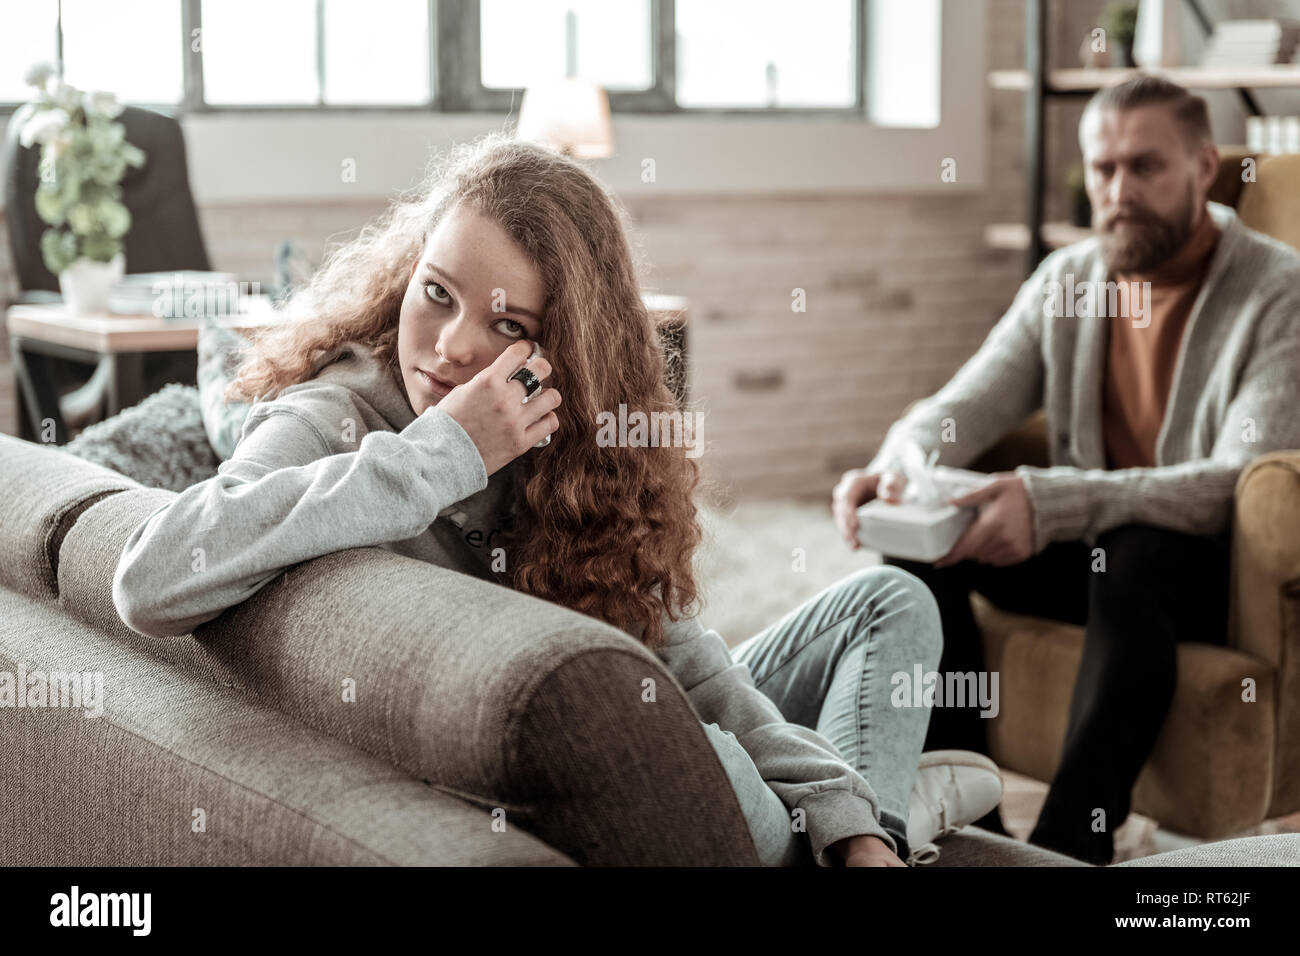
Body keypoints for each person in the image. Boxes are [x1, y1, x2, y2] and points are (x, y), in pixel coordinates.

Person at [113, 133, 1001, 868]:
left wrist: (841, 812)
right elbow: (148, 578)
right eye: (436, 293)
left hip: (628, 703)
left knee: (891, 602)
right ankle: (899, 808)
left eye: (509, 327)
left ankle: (873, 824)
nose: (451, 349)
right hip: (593, 752)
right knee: (721, 768)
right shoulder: (337, 417)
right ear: (406, 276)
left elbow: (680, 657)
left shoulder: (568, 440)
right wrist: (441, 455)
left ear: (566, 353)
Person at [832, 75, 1300, 864]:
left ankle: (1067, 847)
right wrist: (895, 466)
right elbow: (958, 408)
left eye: (1145, 167)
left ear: (1203, 164)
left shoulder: (1277, 291)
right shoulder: (1067, 281)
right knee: (923, 550)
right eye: (1102, 170)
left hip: (1202, 562)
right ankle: (971, 824)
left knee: (1133, 556)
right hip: (1091, 549)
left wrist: (1048, 504)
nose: (1119, 192)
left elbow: (1232, 481)